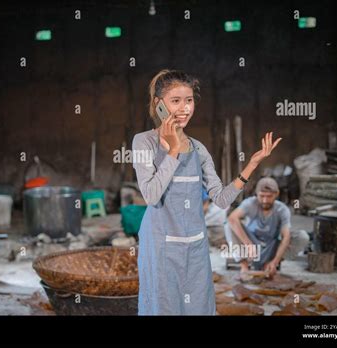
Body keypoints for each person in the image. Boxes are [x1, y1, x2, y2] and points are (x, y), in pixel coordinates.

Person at [132, 69, 282, 315]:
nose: (184, 108)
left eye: (189, 100)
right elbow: (150, 194)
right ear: (159, 105)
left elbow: (221, 200)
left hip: (195, 246)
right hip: (160, 245)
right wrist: (173, 150)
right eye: (175, 101)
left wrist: (252, 165)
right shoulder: (142, 142)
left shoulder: (199, 149)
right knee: (163, 306)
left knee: (199, 306)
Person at [225, 177, 310, 277]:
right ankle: (244, 266)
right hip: (252, 245)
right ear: (256, 194)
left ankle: (270, 265)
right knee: (228, 226)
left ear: (276, 194)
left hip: (271, 246)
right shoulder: (250, 203)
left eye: (269, 196)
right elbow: (232, 218)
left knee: (302, 236)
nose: (265, 200)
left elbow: (286, 237)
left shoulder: (282, 209)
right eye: (262, 196)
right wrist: (248, 244)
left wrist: (275, 261)